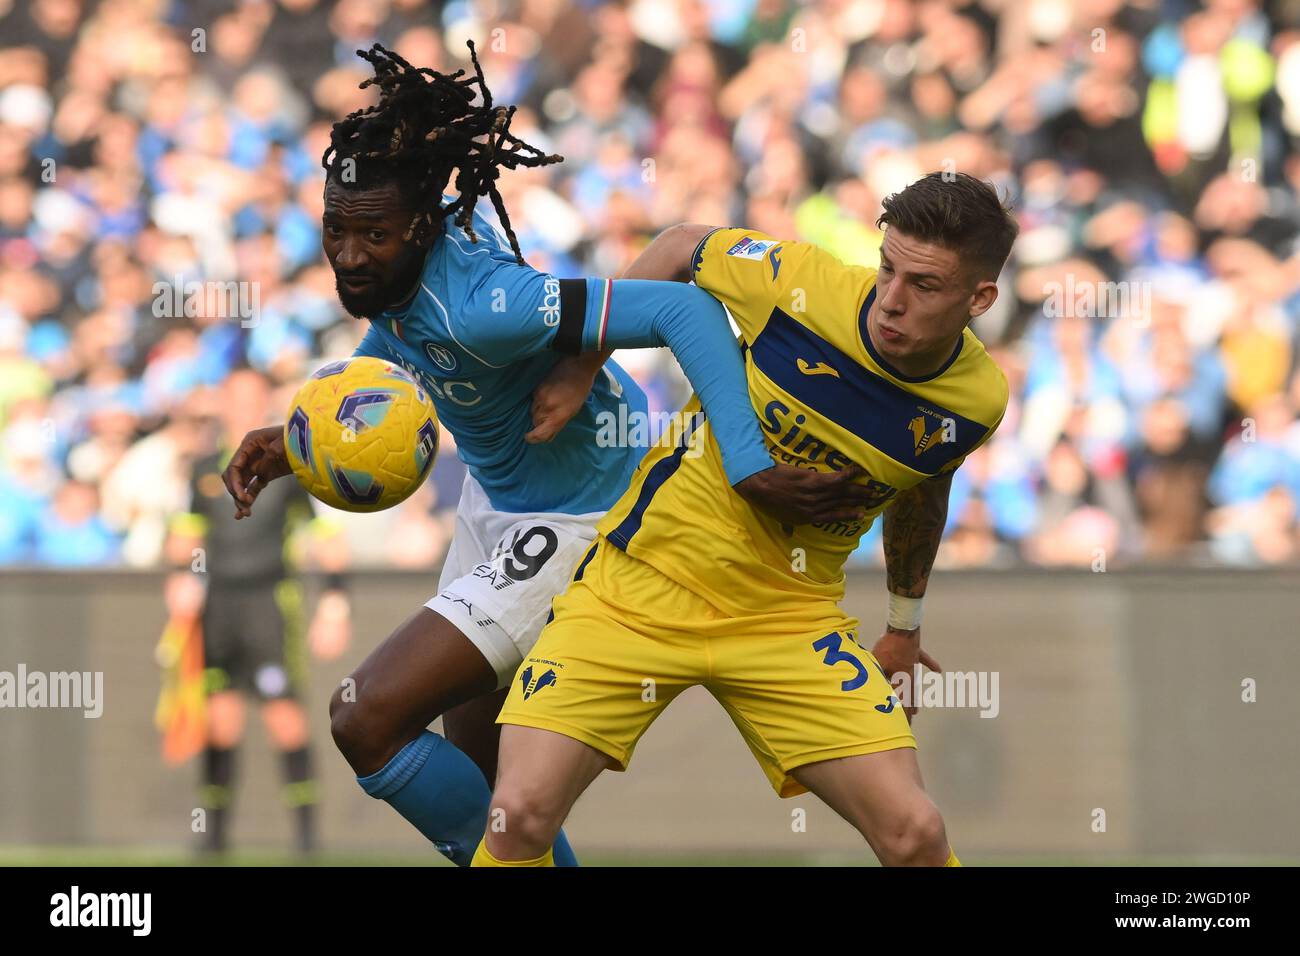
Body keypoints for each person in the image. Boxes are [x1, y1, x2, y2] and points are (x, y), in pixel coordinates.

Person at [221, 43, 864, 867]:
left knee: (365, 716)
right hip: (495, 504)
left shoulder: (492, 306)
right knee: (495, 803)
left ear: (419, 225)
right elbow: (405, 340)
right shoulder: (410, 261)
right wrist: (303, 434)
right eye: (335, 230)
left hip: (576, 518)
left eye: (371, 234)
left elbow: (685, 313)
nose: (348, 254)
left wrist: (746, 462)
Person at [475, 172, 1016, 867]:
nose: (892, 300)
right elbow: (677, 247)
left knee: (916, 835)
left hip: (787, 617)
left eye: (925, 286)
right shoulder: (801, 285)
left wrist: (904, 629)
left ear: (980, 299)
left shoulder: (976, 402)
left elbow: (922, 489)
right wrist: (587, 361)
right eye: (887, 268)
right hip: (639, 585)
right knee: (516, 814)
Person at [165, 368, 351, 855]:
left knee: (283, 715)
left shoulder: (286, 469)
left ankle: (307, 838)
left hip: (269, 602)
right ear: (222, 401)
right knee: (220, 717)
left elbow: (323, 539)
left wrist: (334, 602)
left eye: (253, 395)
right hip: (218, 605)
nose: (243, 404)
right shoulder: (202, 466)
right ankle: (214, 836)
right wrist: (181, 576)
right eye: (235, 395)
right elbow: (184, 538)